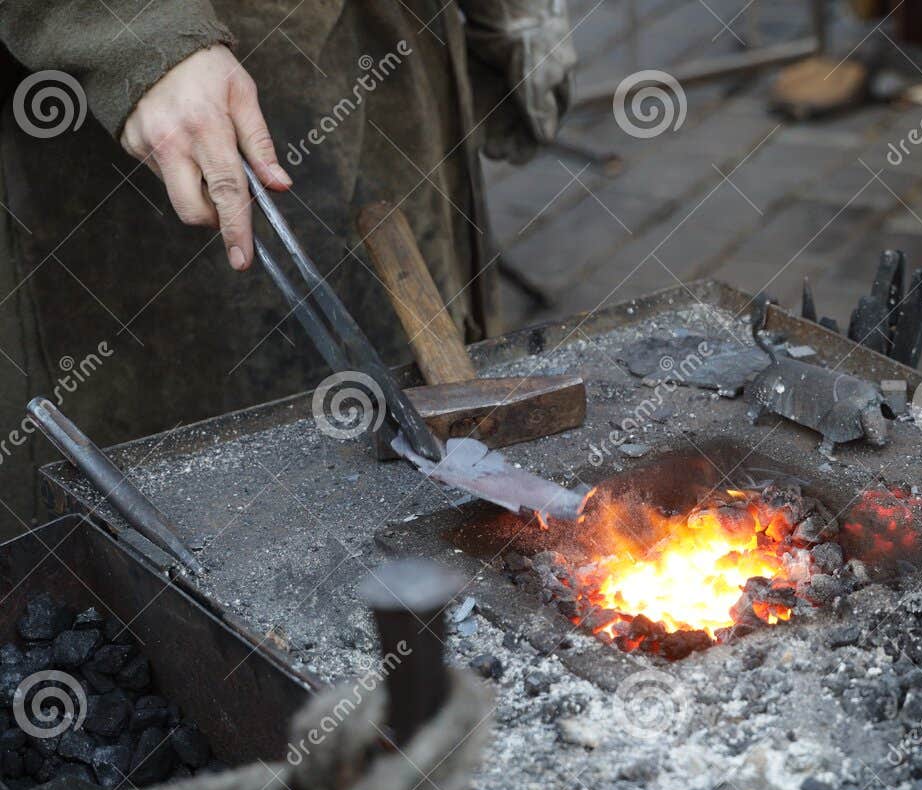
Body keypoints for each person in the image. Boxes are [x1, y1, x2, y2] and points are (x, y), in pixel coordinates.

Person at [0, 0, 575, 521]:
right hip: (179, 86)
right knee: (226, 486)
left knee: (426, 458)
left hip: (383, 51)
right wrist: (139, 34)